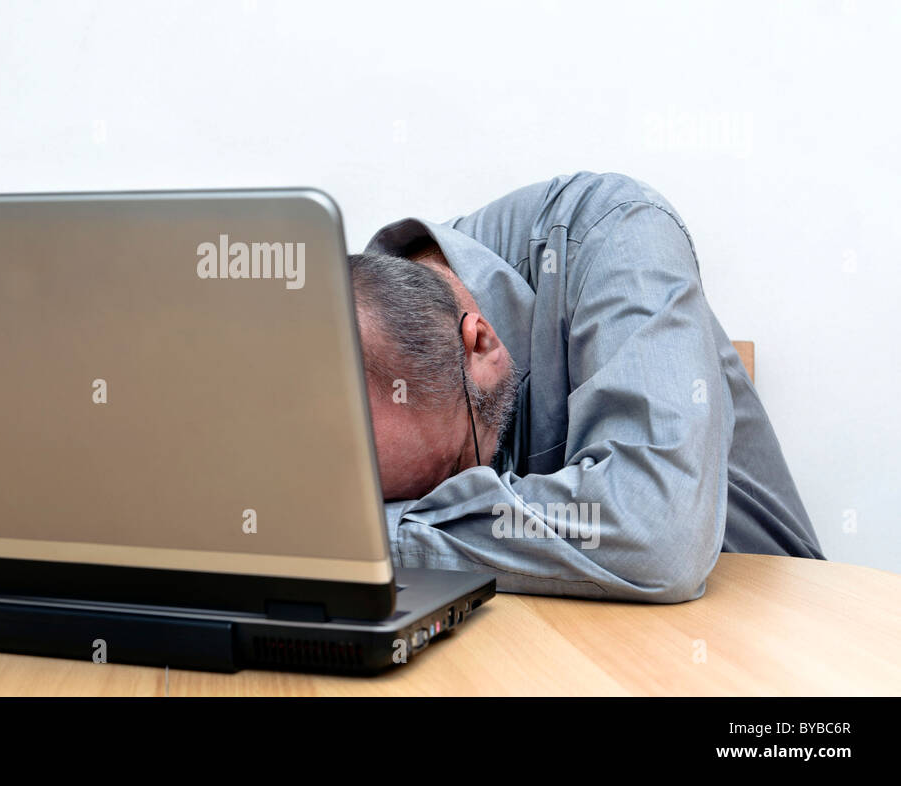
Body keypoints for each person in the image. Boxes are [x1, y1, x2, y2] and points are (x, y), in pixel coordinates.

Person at [350, 171, 823, 602]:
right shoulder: (354, 333)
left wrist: (364, 541)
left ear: (480, 343)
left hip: (764, 631)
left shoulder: (616, 231)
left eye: (456, 470)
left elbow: (658, 535)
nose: (442, 505)